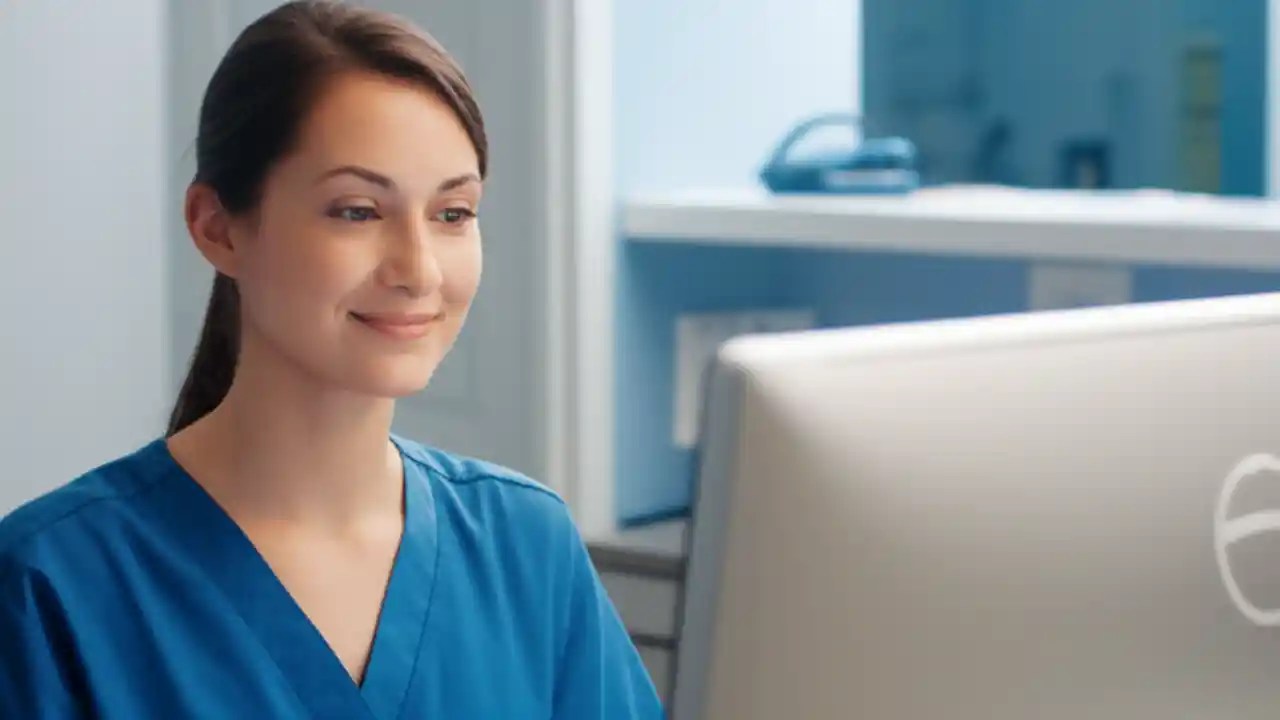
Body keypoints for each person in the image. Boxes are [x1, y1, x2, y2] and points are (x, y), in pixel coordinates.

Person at [0, 2, 663, 718]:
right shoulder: (51, 586)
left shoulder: (525, 546)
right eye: (357, 210)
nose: (418, 271)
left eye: (453, 214)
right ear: (217, 227)